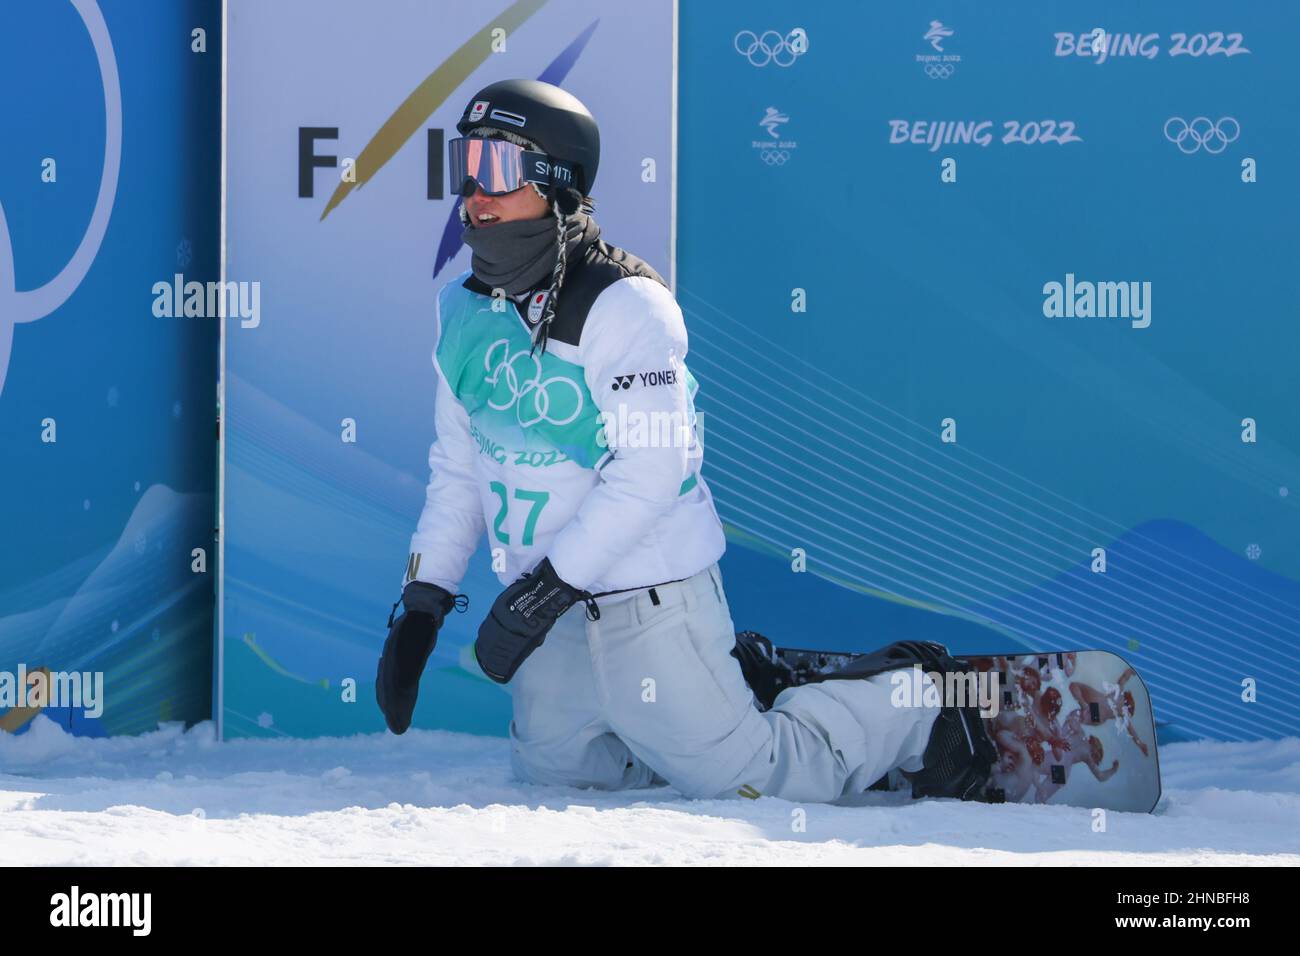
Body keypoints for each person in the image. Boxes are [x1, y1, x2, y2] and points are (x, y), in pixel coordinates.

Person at [376, 79, 995, 803]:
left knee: (758, 781)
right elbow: (457, 468)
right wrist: (422, 602)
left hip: (649, 597)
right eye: (466, 164)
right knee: (561, 783)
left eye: (502, 171)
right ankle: (734, 694)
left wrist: (538, 597)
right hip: (549, 614)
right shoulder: (463, 310)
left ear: (558, 186)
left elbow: (653, 472)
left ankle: (916, 701)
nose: (476, 193)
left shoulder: (624, 306)